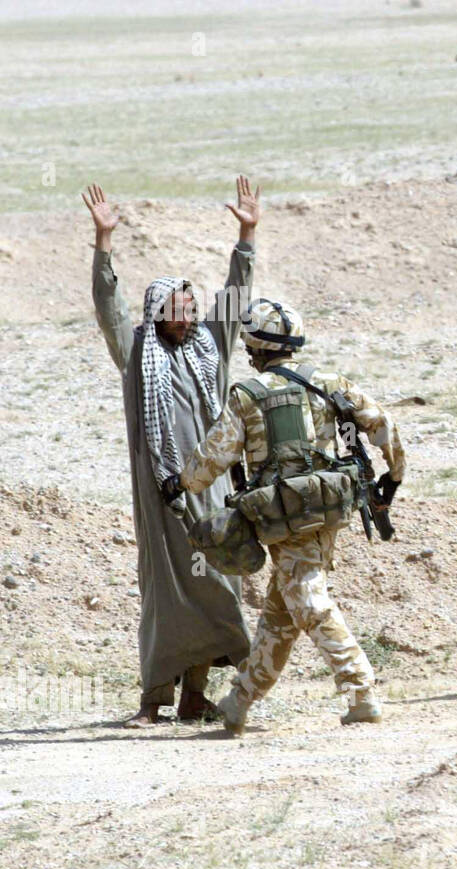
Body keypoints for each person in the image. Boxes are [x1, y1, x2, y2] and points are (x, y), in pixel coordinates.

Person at [175, 299, 406, 735]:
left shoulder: (247, 395)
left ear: (254, 347)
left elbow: (213, 459)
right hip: (329, 509)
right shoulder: (330, 382)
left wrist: (181, 483)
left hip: (284, 517)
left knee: (309, 602)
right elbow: (382, 425)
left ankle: (362, 691)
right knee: (282, 613)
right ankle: (239, 701)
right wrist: (393, 479)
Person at [85, 178, 258, 727]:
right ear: (157, 312)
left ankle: (195, 697)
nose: (186, 316)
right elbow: (107, 305)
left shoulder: (211, 345)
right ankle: (153, 700)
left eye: (190, 307)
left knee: (216, 581)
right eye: (176, 309)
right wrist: (104, 241)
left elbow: (236, 297)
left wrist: (247, 233)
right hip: (162, 498)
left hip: (213, 491)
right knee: (166, 590)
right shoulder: (137, 352)